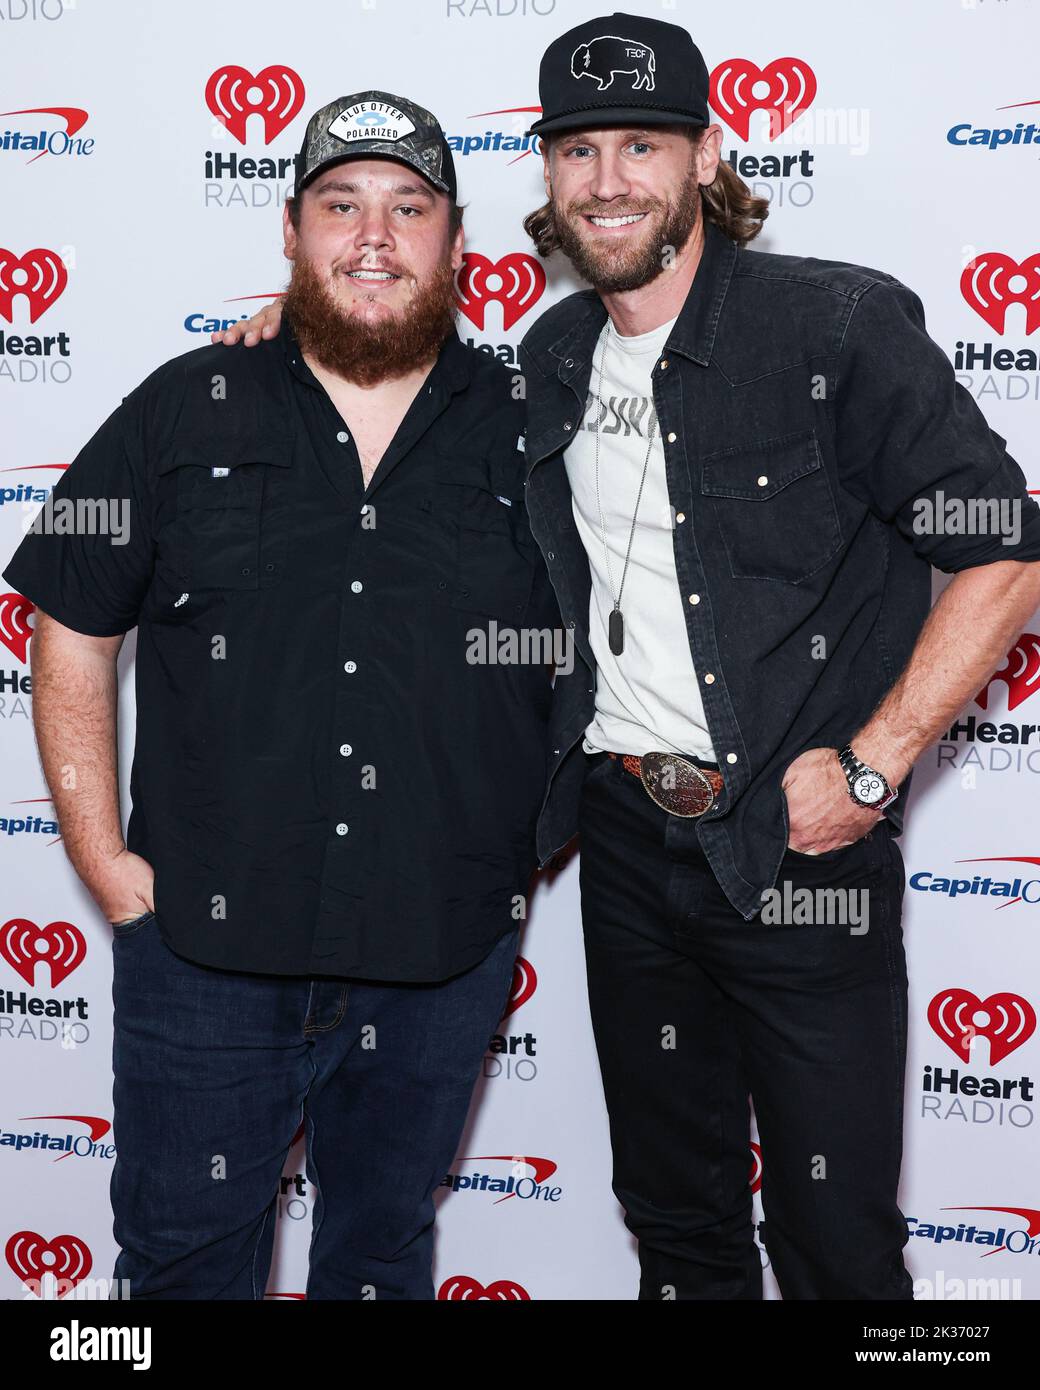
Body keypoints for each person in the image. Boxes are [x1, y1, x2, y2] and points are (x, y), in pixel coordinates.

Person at [218, 16, 1040, 1300]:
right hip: (622, 847)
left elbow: (1004, 549)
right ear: (546, 177)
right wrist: (316, 318)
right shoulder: (546, 360)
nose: (608, 179)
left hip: (794, 850)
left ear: (705, 157)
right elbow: (403, 391)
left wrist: (872, 770)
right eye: (579, 149)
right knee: (674, 1216)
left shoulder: (834, 327)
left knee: (835, 1242)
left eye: (642, 145)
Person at [3, 90, 559, 1301]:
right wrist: (101, 856)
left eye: (407, 209)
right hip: (201, 949)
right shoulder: (183, 405)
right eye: (340, 206)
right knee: (182, 1274)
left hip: (438, 947)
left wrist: (528, 843)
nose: (373, 236)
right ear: (291, 232)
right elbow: (72, 628)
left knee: (379, 1258)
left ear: (455, 240)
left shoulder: (537, 426)